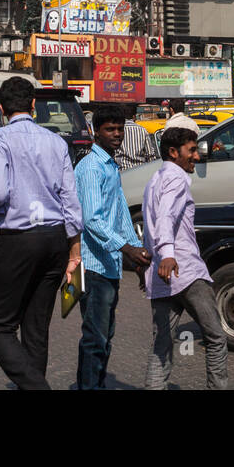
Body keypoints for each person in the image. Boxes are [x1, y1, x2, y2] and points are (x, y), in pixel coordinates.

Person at [0, 76, 83, 390]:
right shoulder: (55, 141)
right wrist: (74, 252)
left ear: (1, 108)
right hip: (54, 240)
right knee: (36, 328)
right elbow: (70, 199)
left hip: (19, 239)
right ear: (34, 105)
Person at [143, 127, 228, 390]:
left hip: (161, 272)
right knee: (216, 338)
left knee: (161, 346)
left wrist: (150, 262)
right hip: (184, 269)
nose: (197, 157)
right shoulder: (176, 179)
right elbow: (166, 217)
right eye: (191, 150)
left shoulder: (154, 180)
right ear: (173, 152)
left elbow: (151, 226)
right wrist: (168, 254)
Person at [74, 106, 151, 390]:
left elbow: (119, 216)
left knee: (105, 335)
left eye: (120, 128)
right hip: (93, 265)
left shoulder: (109, 165)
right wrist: (127, 249)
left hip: (109, 265)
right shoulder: (91, 168)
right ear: (96, 131)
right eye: (110, 129)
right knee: (95, 337)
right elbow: (92, 219)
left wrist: (137, 253)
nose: (116, 134)